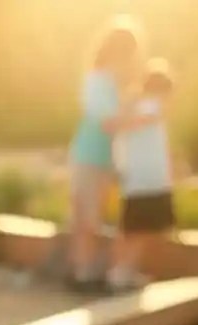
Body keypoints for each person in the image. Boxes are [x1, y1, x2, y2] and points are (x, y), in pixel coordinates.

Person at [66, 15, 144, 292]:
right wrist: (134, 114)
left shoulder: (113, 83)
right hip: (88, 155)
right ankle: (81, 273)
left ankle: (87, 271)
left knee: (94, 217)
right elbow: (106, 120)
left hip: (104, 158)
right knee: (85, 217)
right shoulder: (96, 80)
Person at [109, 58, 176, 292]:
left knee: (136, 228)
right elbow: (131, 124)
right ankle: (121, 271)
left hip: (144, 178)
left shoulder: (138, 107)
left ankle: (125, 270)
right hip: (145, 180)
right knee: (138, 229)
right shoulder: (148, 107)